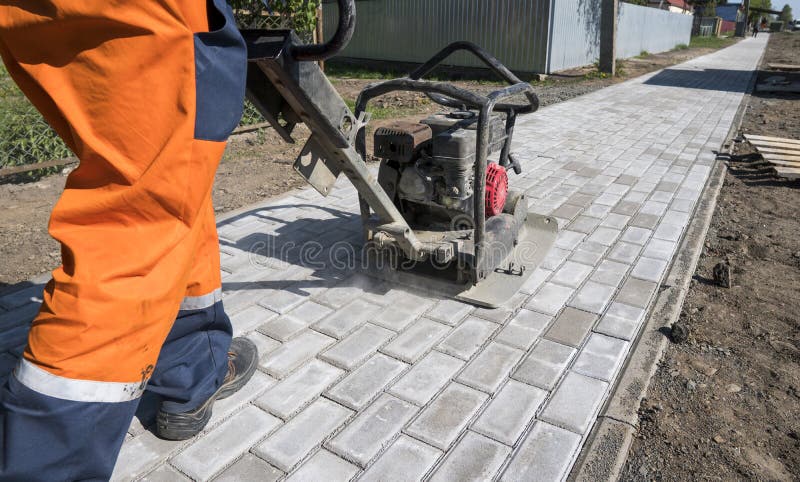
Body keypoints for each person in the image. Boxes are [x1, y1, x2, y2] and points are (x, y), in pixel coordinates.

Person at [0, 0, 259, 479]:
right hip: (147, 14)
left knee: (172, 188)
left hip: (32, 14)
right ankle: (51, 463)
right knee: (137, 220)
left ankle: (189, 372)